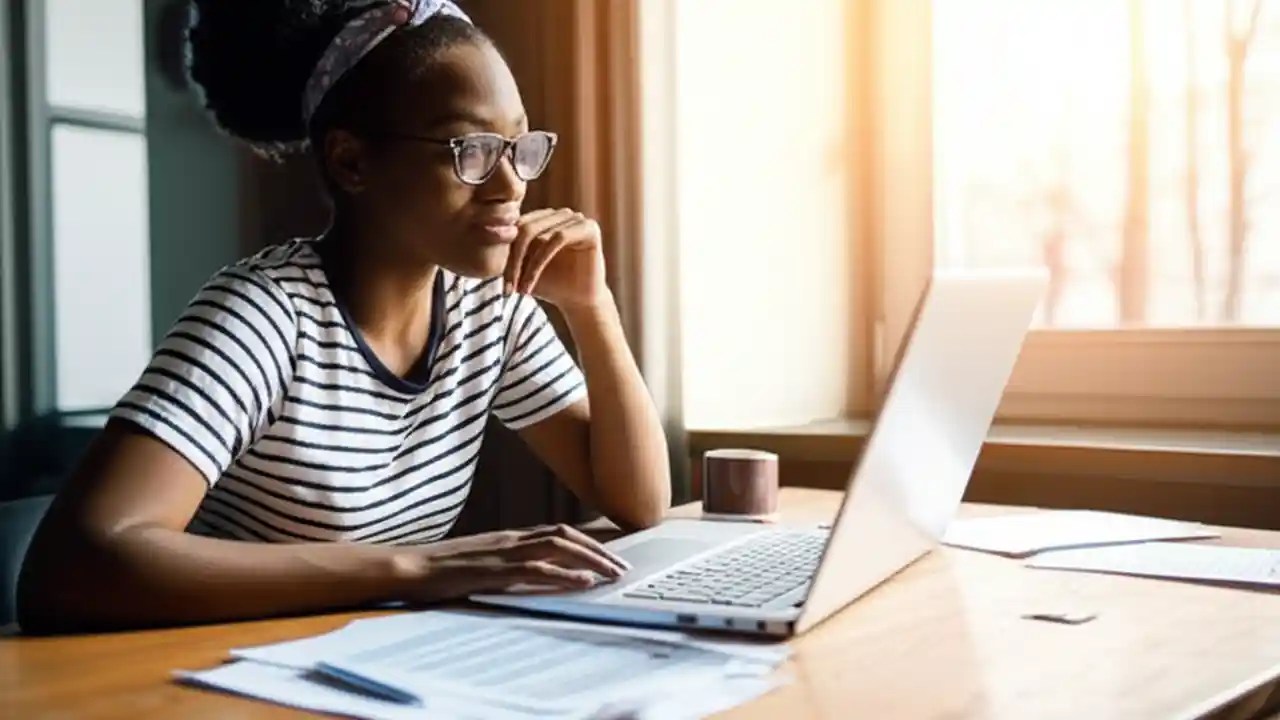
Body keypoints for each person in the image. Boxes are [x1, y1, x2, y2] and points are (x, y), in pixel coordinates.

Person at [17, 0, 670, 633]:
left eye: (517, 146)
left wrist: (592, 306)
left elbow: (638, 501)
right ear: (351, 161)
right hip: (211, 676)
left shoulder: (489, 309)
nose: (510, 184)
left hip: (369, 664)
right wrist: (413, 568)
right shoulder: (263, 317)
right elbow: (71, 567)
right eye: (468, 149)